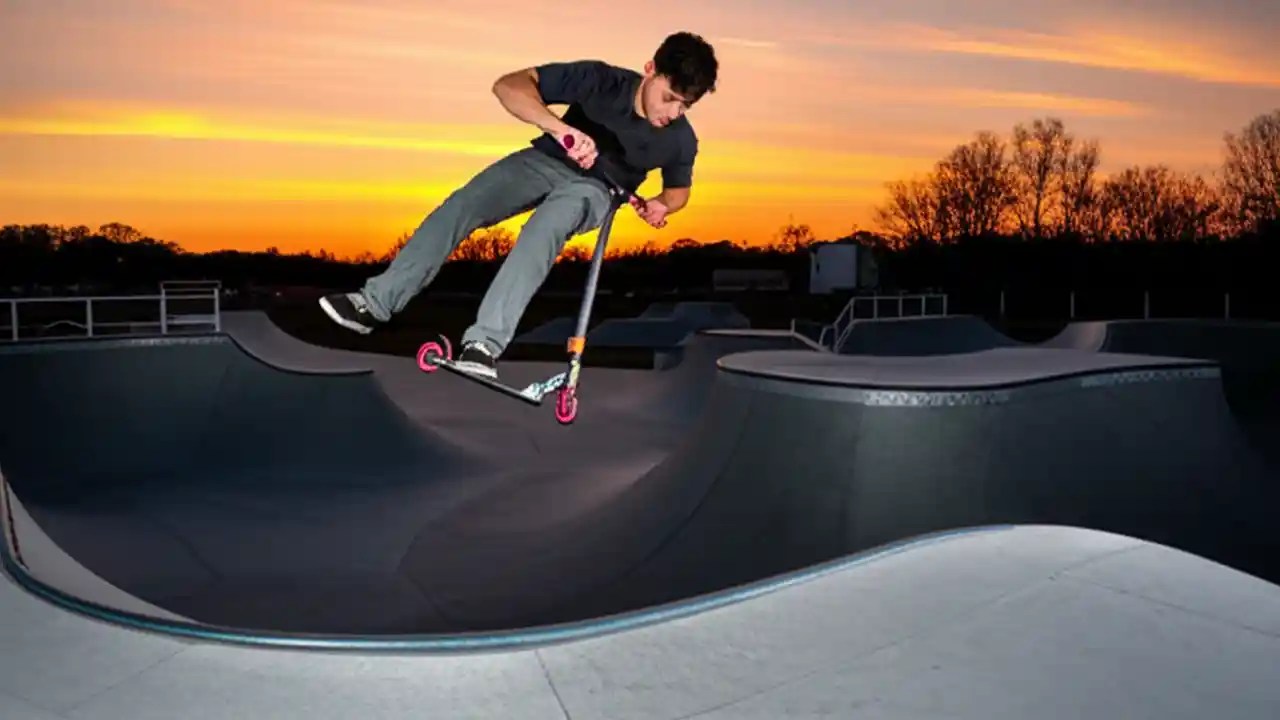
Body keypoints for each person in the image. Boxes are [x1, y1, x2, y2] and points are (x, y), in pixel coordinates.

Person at [318, 31, 718, 378]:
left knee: (548, 222)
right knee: (465, 204)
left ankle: (484, 344)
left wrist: (661, 204)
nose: (671, 113)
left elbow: (678, 191)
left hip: (596, 190)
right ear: (650, 69)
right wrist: (560, 130)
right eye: (668, 98)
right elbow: (509, 86)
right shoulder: (599, 79)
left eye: (683, 106)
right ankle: (372, 305)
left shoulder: (681, 139)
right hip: (543, 161)